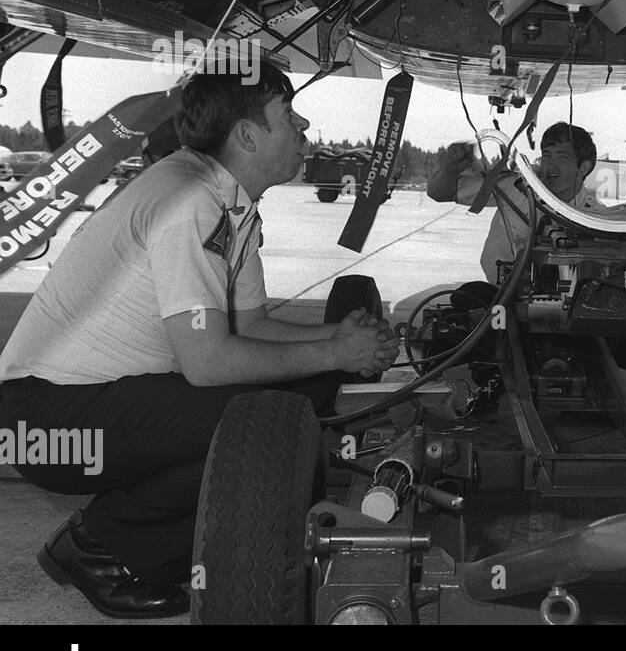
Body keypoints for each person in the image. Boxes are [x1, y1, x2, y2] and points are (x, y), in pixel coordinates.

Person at [0, 65, 399, 619]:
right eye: (288, 114)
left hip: (81, 407)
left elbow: (250, 327)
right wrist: (336, 351)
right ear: (247, 135)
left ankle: (138, 541)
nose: (303, 124)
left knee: (309, 386)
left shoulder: (225, 200)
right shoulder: (189, 201)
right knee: (266, 420)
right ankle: (101, 545)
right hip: (41, 426)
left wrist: (343, 338)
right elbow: (209, 363)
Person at [427, 122, 601, 282]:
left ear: (583, 167)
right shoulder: (515, 186)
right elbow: (438, 192)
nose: (551, 165)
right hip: (500, 298)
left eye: (562, 158)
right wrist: (451, 169)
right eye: (547, 156)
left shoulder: (598, 219)